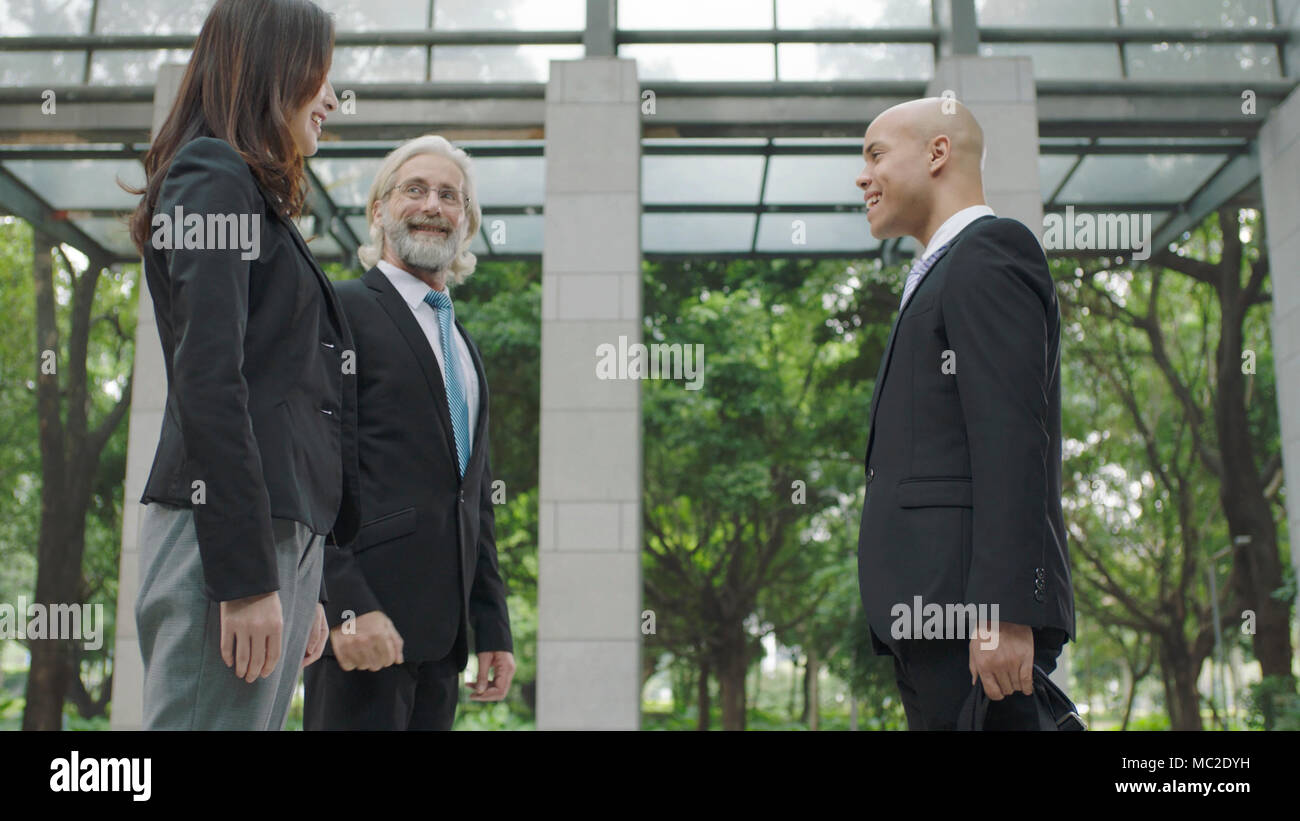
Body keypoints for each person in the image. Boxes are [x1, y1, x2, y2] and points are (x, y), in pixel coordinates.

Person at [128, 0, 359, 730]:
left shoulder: (249, 197)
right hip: (226, 540)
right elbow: (209, 379)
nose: (331, 98)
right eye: (320, 76)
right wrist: (247, 574)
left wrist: (303, 578)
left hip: (271, 538)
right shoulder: (213, 174)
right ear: (273, 69)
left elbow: (276, 386)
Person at [854, 97, 1075, 730]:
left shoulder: (988, 252)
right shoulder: (939, 270)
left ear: (938, 153)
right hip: (932, 616)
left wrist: (1004, 611)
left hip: (969, 617)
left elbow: (1011, 439)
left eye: (875, 155)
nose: (862, 176)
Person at [303, 135, 514, 731]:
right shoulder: (338, 309)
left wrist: (493, 625)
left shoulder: (465, 349)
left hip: (441, 648)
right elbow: (311, 467)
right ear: (378, 210)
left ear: (466, 223)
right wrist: (344, 605)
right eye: (414, 189)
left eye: (451, 196)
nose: (433, 204)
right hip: (362, 631)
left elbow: (475, 501)